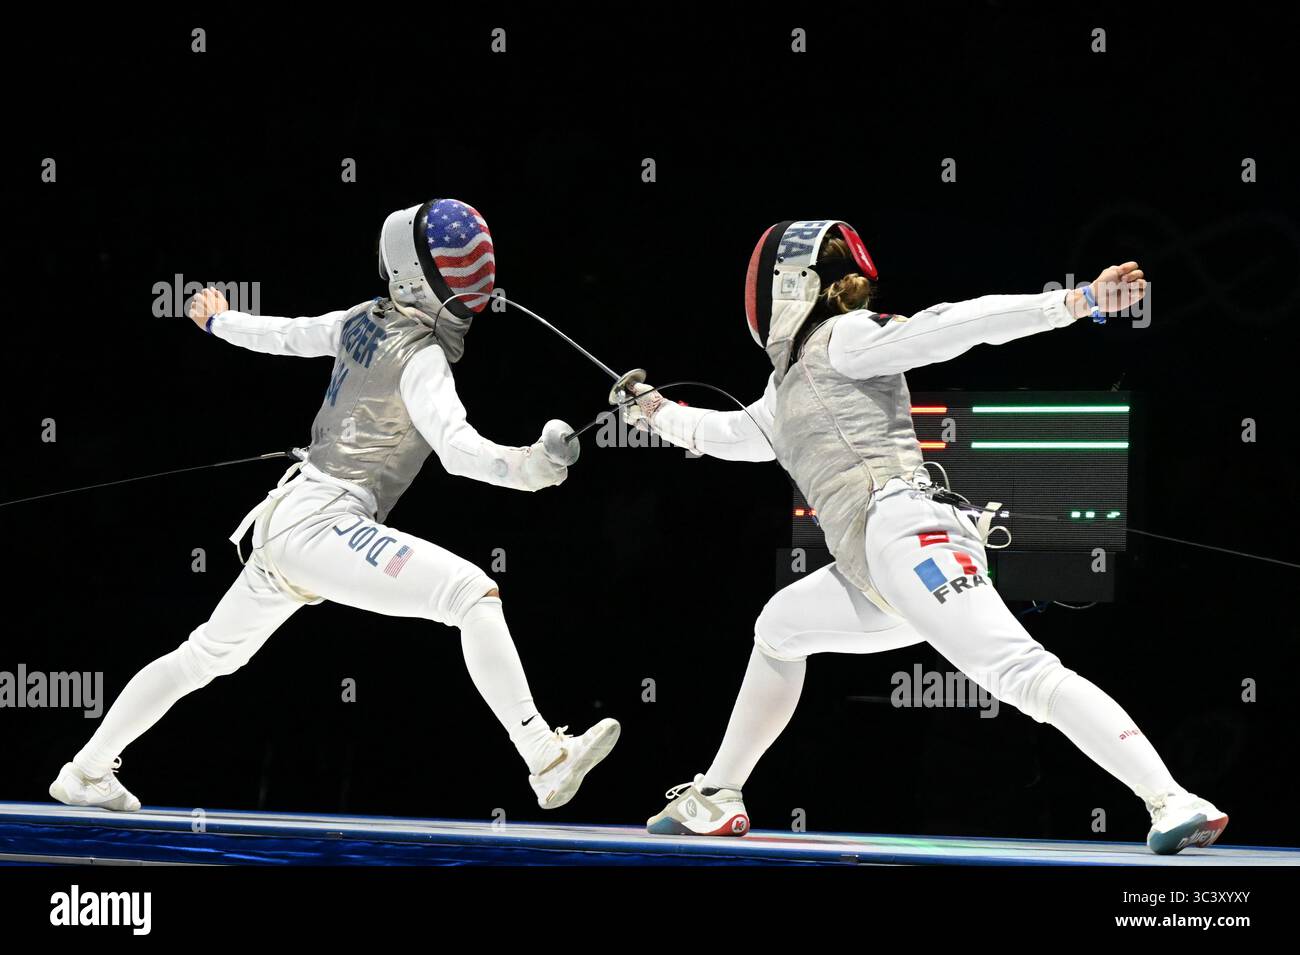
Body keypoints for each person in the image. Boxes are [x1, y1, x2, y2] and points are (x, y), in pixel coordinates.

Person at [628, 219, 1225, 855]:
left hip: (909, 538)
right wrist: (655, 412)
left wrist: (1075, 302)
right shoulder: (788, 388)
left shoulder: (844, 337)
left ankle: (1174, 800)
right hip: (873, 567)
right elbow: (732, 437)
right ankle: (719, 795)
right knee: (778, 627)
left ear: (790, 285)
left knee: (1020, 673)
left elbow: (956, 325)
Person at [50, 198, 619, 814]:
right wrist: (529, 467)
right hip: (322, 523)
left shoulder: (361, 318)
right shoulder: (421, 357)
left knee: (204, 656)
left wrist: (219, 321)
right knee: (469, 595)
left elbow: (283, 334)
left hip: (288, 523)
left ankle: (85, 771)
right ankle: (542, 754)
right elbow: (458, 452)